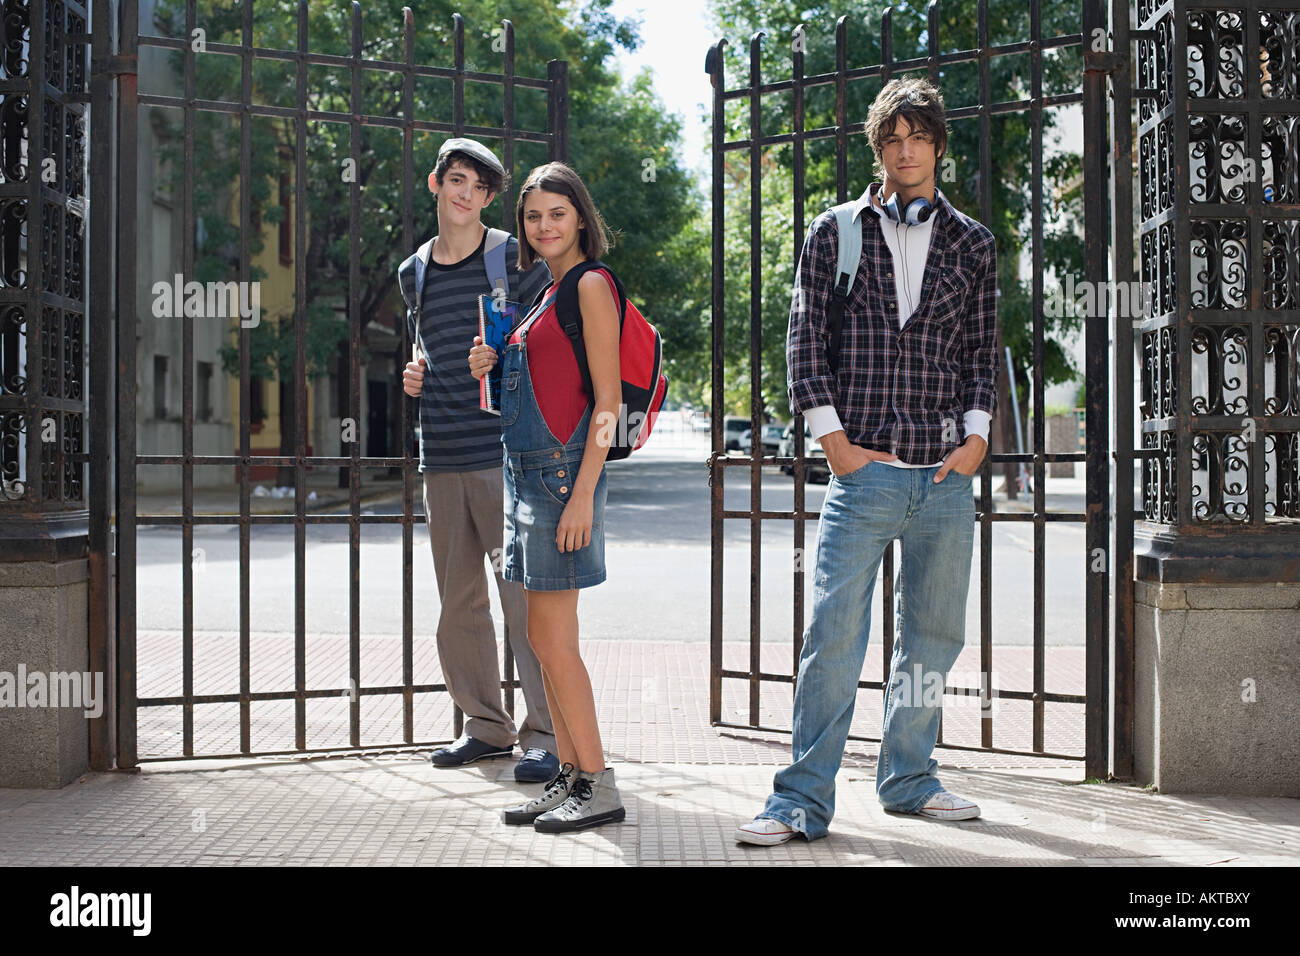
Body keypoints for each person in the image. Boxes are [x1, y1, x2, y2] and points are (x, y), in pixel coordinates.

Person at [735, 78, 999, 846]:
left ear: (938, 146)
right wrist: (835, 445)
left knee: (930, 637)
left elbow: (981, 350)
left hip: (946, 477)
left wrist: (977, 438)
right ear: (877, 147)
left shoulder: (973, 243)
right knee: (833, 636)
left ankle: (910, 778)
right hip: (865, 474)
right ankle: (800, 799)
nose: (905, 149)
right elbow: (804, 338)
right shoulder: (837, 231)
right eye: (892, 137)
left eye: (918, 136)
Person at [468, 162, 626, 833]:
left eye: (557, 213)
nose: (544, 225)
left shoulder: (589, 285)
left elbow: (608, 402)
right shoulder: (542, 293)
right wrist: (491, 363)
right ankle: (569, 774)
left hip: (561, 478)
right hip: (525, 475)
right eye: (533, 216)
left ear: (581, 218)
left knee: (556, 644)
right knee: (540, 636)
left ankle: (599, 784)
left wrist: (584, 492)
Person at [397, 138, 558, 783]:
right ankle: (485, 727)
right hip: (440, 454)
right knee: (457, 601)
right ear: (436, 183)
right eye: (456, 181)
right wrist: (413, 373)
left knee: (523, 598)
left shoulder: (513, 257)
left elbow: (551, 338)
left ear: (489, 200)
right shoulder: (413, 272)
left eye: (480, 189)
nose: (465, 195)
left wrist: (504, 356)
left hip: (504, 455)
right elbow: (428, 345)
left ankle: (547, 732)